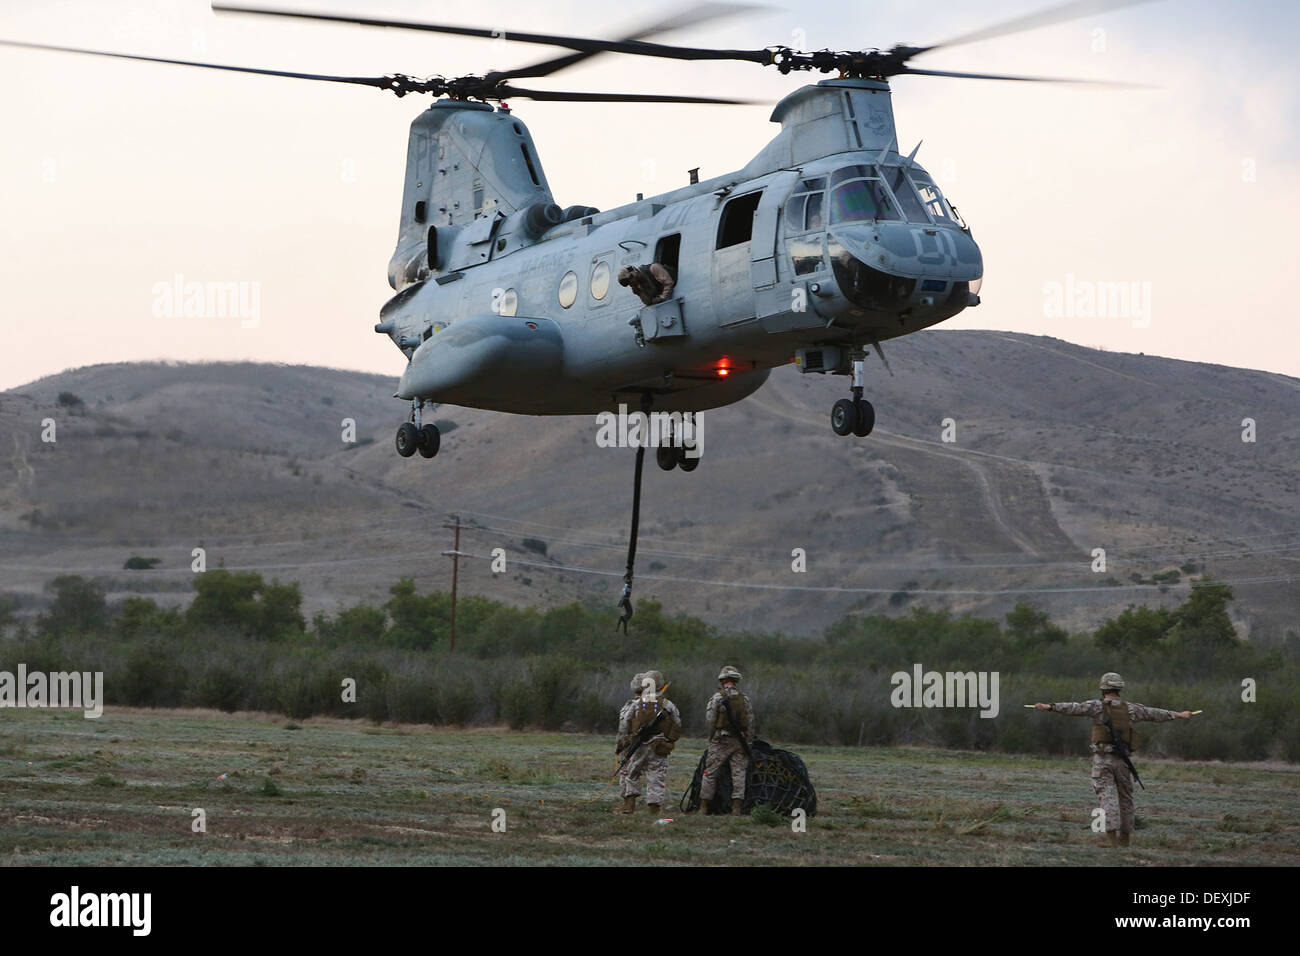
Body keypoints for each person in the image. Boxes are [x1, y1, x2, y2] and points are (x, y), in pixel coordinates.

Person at [1033, 672, 1194, 846]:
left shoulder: (1096, 706)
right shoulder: (1131, 709)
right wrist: (1178, 714)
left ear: (1103, 688)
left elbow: (1073, 708)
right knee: (1126, 799)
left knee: (1107, 796)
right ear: (1120, 688)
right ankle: (1125, 842)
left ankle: (1112, 842)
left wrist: (1050, 706)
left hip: (1103, 760)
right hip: (1123, 761)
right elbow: (1153, 713)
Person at [615, 670, 682, 815]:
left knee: (632, 773)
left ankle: (629, 805)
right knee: (656, 776)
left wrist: (625, 740)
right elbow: (677, 723)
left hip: (639, 745)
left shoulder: (638, 703)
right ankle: (654, 809)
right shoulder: (667, 704)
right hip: (658, 745)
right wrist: (669, 739)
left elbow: (625, 723)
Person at [700, 665, 755, 815]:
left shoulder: (717, 698)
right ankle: (736, 808)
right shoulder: (745, 699)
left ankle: (703, 807)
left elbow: (710, 720)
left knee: (710, 773)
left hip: (721, 740)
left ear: (722, 680)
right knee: (739, 774)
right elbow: (750, 724)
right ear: (736, 680)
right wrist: (748, 743)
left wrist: (711, 738)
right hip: (740, 742)